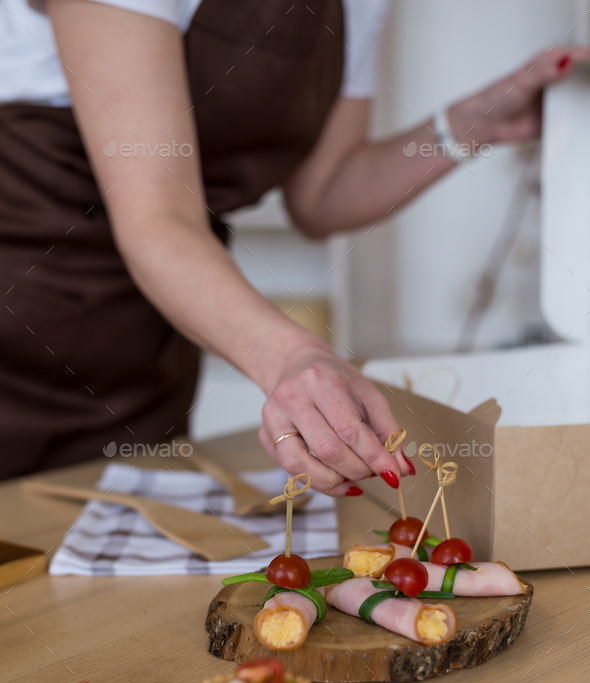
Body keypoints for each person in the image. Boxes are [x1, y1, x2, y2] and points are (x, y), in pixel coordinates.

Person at [0, 0, 586, 491]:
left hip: (152, 337)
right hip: (20, 318)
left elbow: (324, 192)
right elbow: (157, 215)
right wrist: (291, 358)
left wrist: (474, 124)